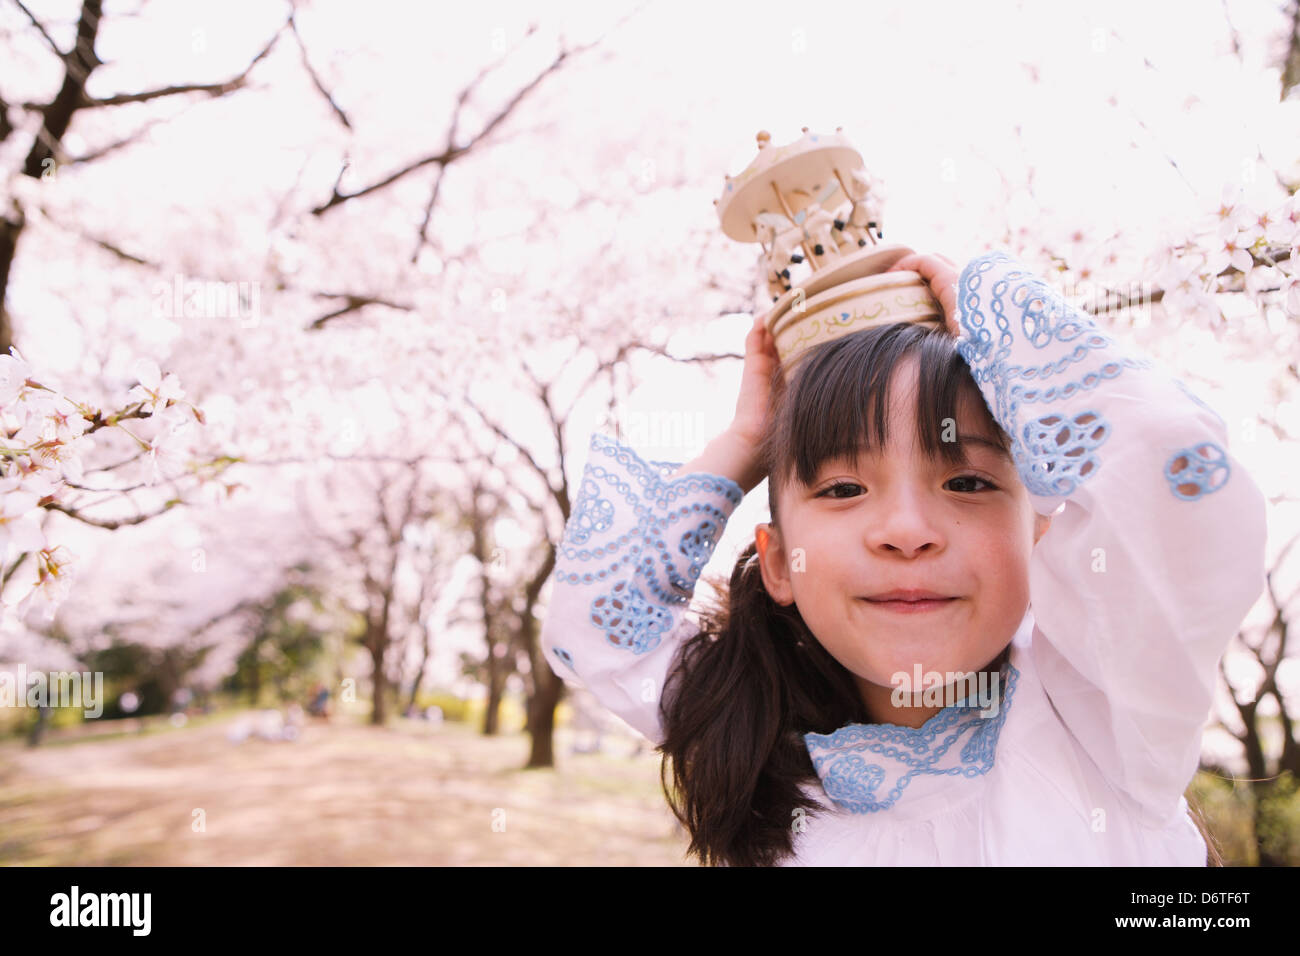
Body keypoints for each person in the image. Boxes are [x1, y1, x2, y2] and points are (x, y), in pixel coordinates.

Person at [539, 249, 1267, 866]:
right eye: (845, 487)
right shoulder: (762, 748)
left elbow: (1180, 483)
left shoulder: (1103, 716)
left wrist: (1000, 319)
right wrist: (746, 440)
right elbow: (590, 632)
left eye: (968, 481)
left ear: (1041, 533)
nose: (908, 531)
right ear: (781, 563)